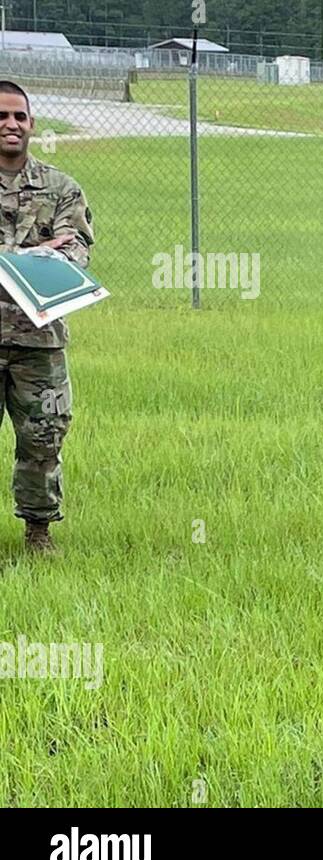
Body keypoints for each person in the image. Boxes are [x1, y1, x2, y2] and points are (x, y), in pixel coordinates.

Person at [0, 80, 95, 554]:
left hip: (40, 338)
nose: (10, 124)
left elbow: (74, 253)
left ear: (32, 124)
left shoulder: (61, 188)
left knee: (43, 438)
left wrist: (15, 258)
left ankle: (38, 531)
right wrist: (31, 253)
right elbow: (49, 254)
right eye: (1, 115)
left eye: (19, 116)